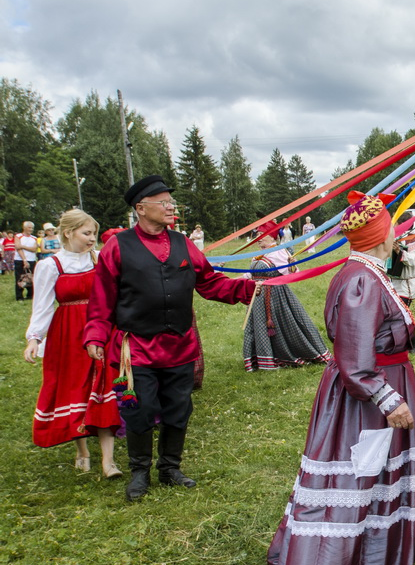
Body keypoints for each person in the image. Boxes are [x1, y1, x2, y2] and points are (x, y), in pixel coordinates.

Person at [267, 192, 415, 565]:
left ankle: (382, 562)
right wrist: (387, 398)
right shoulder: (362, 280)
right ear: (382, 236)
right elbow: (355, 355)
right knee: (359, 474)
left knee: (381, 476)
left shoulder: (368, 272)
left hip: (381, 383)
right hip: (365, 396)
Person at [84, 175, 257, 501]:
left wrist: (247, 288)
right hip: (135, 349)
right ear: (141, 208)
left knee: (179, 408)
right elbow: (102, 297)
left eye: (170, 202)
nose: (170, 207)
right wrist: (95, 334)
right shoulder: (117, 246)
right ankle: (139, 472)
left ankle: (170, 468)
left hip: (179, 345)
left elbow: (209, 283)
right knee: (138, 408)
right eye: (162, 202)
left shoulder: (183, 243)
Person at [24, 210, 122, 477]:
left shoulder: (100, 259)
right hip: (68, 335)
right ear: (68, 232)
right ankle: (82, 450)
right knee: (73, 388)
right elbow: (42, 306)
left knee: (104, 386)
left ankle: (108, 460)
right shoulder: (50, 265)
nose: (92, 239)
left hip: (101, 328)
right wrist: (34, 339)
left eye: (93, 233)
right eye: (86, 233)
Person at [243, 225, 329, 371]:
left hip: (275, 296)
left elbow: (292, 273)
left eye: (261, 235)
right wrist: (227, 278)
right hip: (257, 297)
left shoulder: (278, 252)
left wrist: (291, 266)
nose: (258, 238)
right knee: (257, 327)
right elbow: (249, 276)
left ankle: (287, 353)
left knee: (284, 326)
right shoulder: (258, 254)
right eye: (257, 235)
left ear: (272, 236)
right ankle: (261, 358)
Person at [387, 212, 415, 353]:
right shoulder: (396, 238)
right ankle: (402, 342)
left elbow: (414, 260)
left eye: (395, 223)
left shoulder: (413, 241)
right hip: (395, 282)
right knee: (395, 314)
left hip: (407, 284)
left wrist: (399, 251)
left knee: (401, 314)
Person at [15, 221, 37, 300]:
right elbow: (18, 247)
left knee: (30, 278)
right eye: (29, 227)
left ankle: (30, 295)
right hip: (19, 260)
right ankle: (19, 296)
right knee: (19, 278)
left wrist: (23, 246)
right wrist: (24, 260)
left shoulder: (34, 238)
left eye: (32, 228)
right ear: (24, 227)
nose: (31, 229)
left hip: (31, 259)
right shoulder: (18, 236)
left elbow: (34, 249)